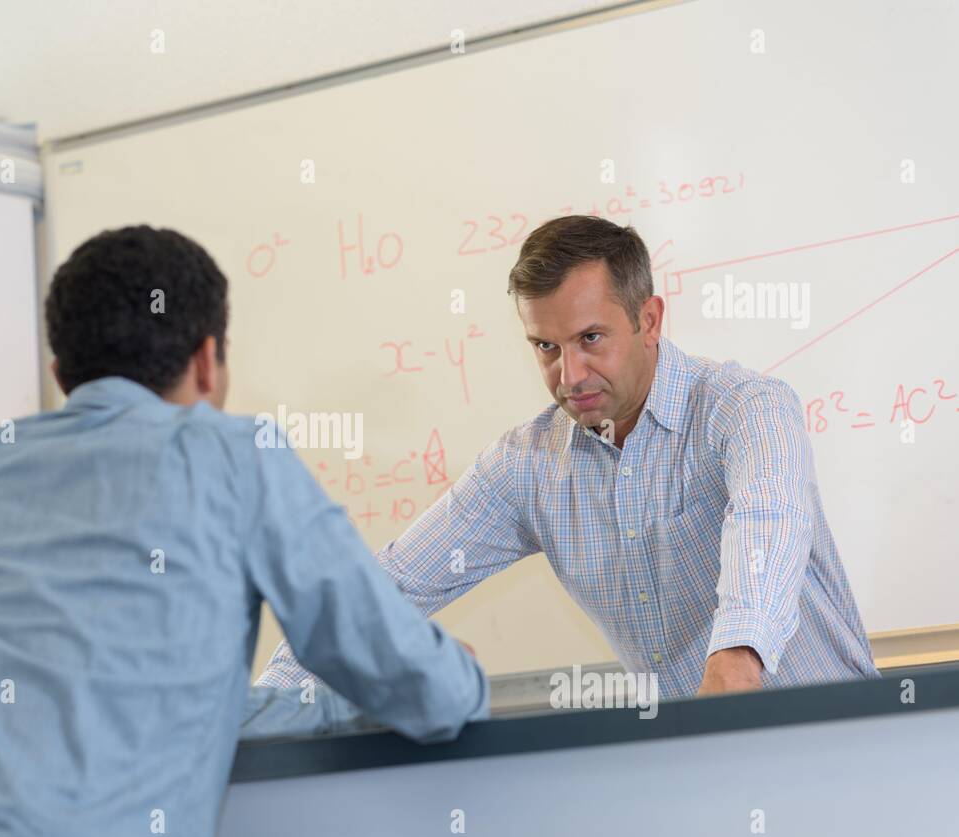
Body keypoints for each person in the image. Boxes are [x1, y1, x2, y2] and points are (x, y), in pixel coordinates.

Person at [0, 225, 488, 837]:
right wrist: (457, 676)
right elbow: (396, 669)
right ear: (208, 361)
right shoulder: (235, 456)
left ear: (62, 374)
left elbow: (103, 701)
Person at [260, 215, 879, 700]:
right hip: (701, 779)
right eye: (545, 348)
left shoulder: (746, 409)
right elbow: (389, 587)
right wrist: (260, 714)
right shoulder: (526, 468)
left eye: (590, 339)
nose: (570, 375)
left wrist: (737, 662)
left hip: (848, 754)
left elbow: (767, 520)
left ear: (650, 319)